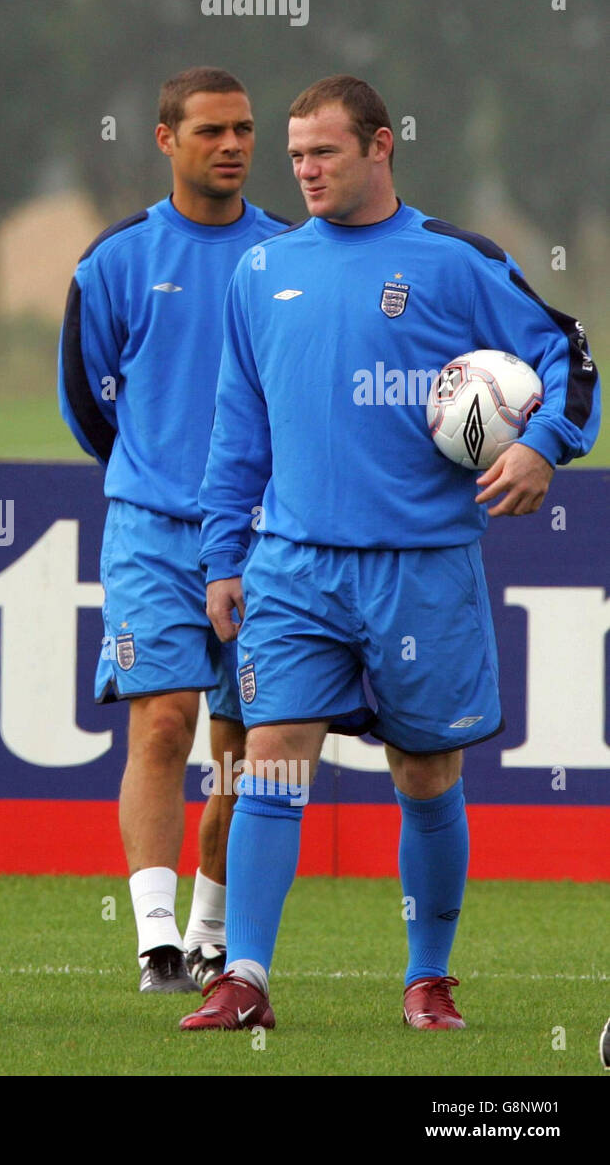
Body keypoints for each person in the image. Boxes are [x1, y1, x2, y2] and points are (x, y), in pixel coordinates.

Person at [181, 74, 600, 1031]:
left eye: (323, 152)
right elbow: (237, 428)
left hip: (424, 565)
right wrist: (222, 555)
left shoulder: (456, 262)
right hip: (293, 565)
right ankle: (244, 978)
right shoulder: (264, 272)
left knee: (426, 775)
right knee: (274, 760)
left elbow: (568, 354)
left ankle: (427, 976)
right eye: (296, 157)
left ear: (381, 147)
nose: (305, 171)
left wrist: (544, 444)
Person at [59, 68, 289, 994]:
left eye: (243, 129)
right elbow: (88, 401)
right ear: (165, 139)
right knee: (162, 722)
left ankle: (210, 933)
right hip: (152, 527)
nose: (231, 145)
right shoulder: (114, 259)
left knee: (245, 746)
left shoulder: (288, 254)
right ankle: (156, 939)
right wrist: (159, 468)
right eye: (210, 131)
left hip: (270, 537)